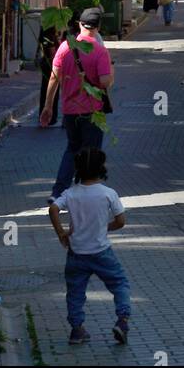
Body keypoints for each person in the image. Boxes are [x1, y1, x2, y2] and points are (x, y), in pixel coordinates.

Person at [49, 147, 131, 347]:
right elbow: (121, 221)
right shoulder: (108, 194)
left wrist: (60, 232)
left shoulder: (70, 194)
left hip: (76, 253)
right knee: (120, 283)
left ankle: (77, 330)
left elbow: (53, 209)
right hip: (102, 252)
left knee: (75, 292)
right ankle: (122, 320)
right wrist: (104, 228)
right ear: (101, 169)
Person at [40, 9, 114, 199]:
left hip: (69, 110)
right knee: (91, 154)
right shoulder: (100, 51)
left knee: (72, 149)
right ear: (98, 28)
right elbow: (105, 81)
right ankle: (84, 194)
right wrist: (111, 69)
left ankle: (58, 192)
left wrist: (48, 107)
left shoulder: (65, 48)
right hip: (93, 111)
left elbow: (53, 78)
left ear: (80, 24)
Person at [38, 26, 61, 126]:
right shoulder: (50, 38)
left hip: (45, 64)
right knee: (52, 92)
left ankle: (43, 116)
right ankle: (50, 118)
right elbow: (53, 53)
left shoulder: (44, 37)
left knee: (44, 90)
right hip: (51, 65)